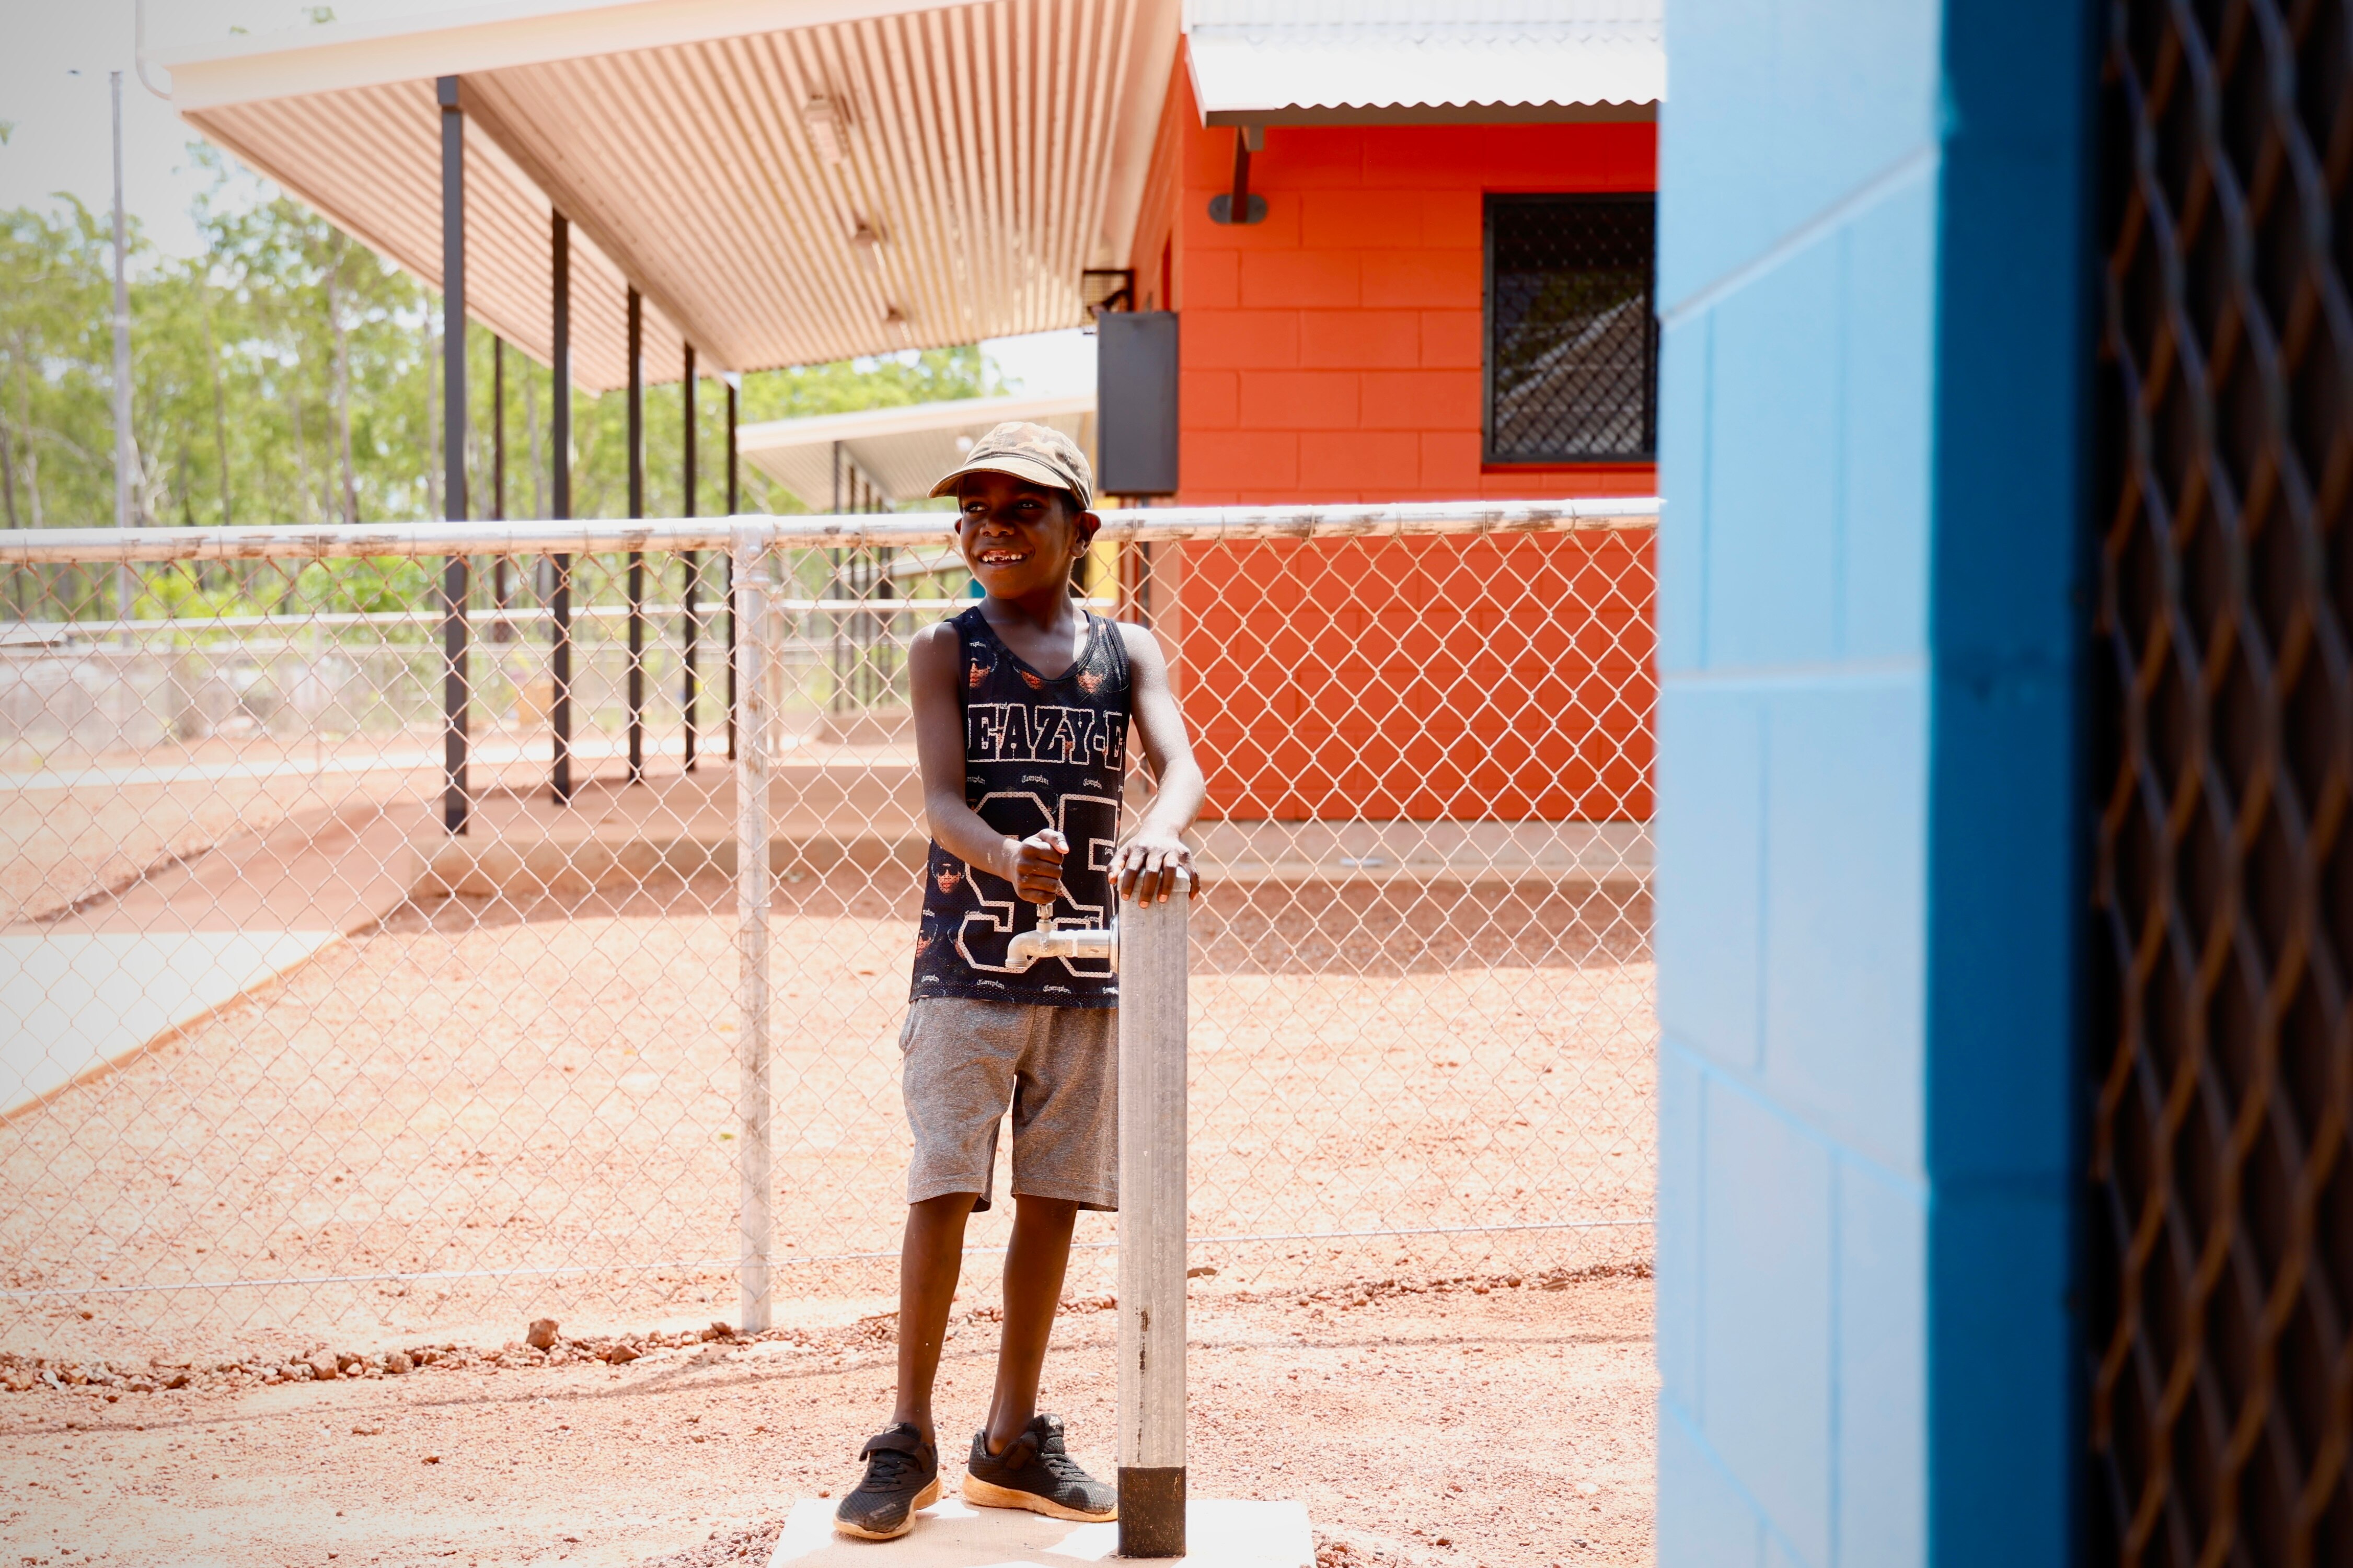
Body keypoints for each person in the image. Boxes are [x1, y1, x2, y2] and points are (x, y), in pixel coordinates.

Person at [834, 422, 1205, 1541]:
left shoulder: (1124, 649)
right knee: (943, 1180)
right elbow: (943, 801)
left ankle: (1009, 1438)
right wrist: (1001, 854)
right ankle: (907, 1436)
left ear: (1081, 529)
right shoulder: (945, 648)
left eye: (1022, 509)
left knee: (1053, 1197)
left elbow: (1179, 765)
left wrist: (1159, 829)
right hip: (965, 964)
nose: (992, 528)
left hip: (1089, 968)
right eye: (975, 511)